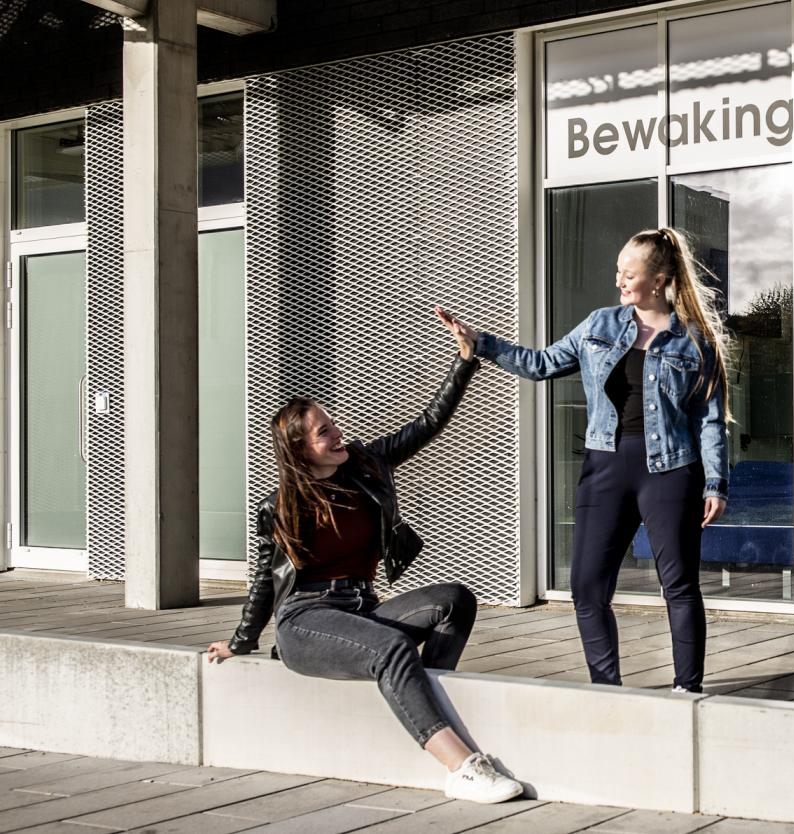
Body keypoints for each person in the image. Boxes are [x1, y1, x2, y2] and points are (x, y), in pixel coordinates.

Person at [206, 307, 524, 804]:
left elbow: (427, 424)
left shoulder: (365, 468)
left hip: (362, 609)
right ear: (300, 450)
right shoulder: (280, 507)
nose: (338, 436)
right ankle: (462, 767)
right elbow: (264, 583)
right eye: (324, 433)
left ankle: (432, 705)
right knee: (391, 649)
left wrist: (464, 362)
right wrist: (239, 642)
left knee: (454, 600)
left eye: (333, 426)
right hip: (306, 619)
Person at [461, 228, 729, 693]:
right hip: (605, 467)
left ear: (659, 278)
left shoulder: (694, 343)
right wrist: (481, 343)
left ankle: (688, 689)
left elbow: (709, 420)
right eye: (618, 271)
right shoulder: (599, 326)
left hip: (670, 471)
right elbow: (540, 363)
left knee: (679, 586)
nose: (619, 281)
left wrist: (715, 484)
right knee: (587, 586)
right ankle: (605, 689)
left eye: (630, 273)